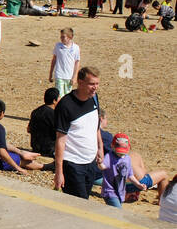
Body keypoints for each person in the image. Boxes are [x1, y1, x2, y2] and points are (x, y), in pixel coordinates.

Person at [54, 66, 104, 199]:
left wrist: (100, 148)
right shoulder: (65, 105)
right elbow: (60, 140)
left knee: (84, 200)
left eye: (97, 84)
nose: (95, 87)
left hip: (90, 162)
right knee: (79, 202)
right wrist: (59, 172)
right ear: (80, 82)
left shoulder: (94, 98)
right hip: (73, 164)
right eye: (91, 84)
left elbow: (96, 126)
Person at [100, 133, 167, 208]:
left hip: (115, 187)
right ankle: (162, 202)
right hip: (134, 184)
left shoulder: (110, 156)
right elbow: (143, 173)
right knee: (163, 174)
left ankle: (128, 194)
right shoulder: (134, 155)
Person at [28, 87, 60, 158]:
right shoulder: (54, 114)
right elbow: (59, 132)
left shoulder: (35, 111)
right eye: (59, 97)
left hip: (35, 147)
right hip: (50, 149)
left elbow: (29, 129)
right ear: (54, 100)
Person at [48, 27, 80, 98]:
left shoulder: (75, 48)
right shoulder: (58, 46)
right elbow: (54, 60)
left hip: (69, 76)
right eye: (61, 37)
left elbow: (77, 63)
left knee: (68, 97)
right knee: (59, 95)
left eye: (63, 37)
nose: (61, 38)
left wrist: (75, 77)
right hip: (59, 75)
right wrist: (51, 74)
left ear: (70, 37)